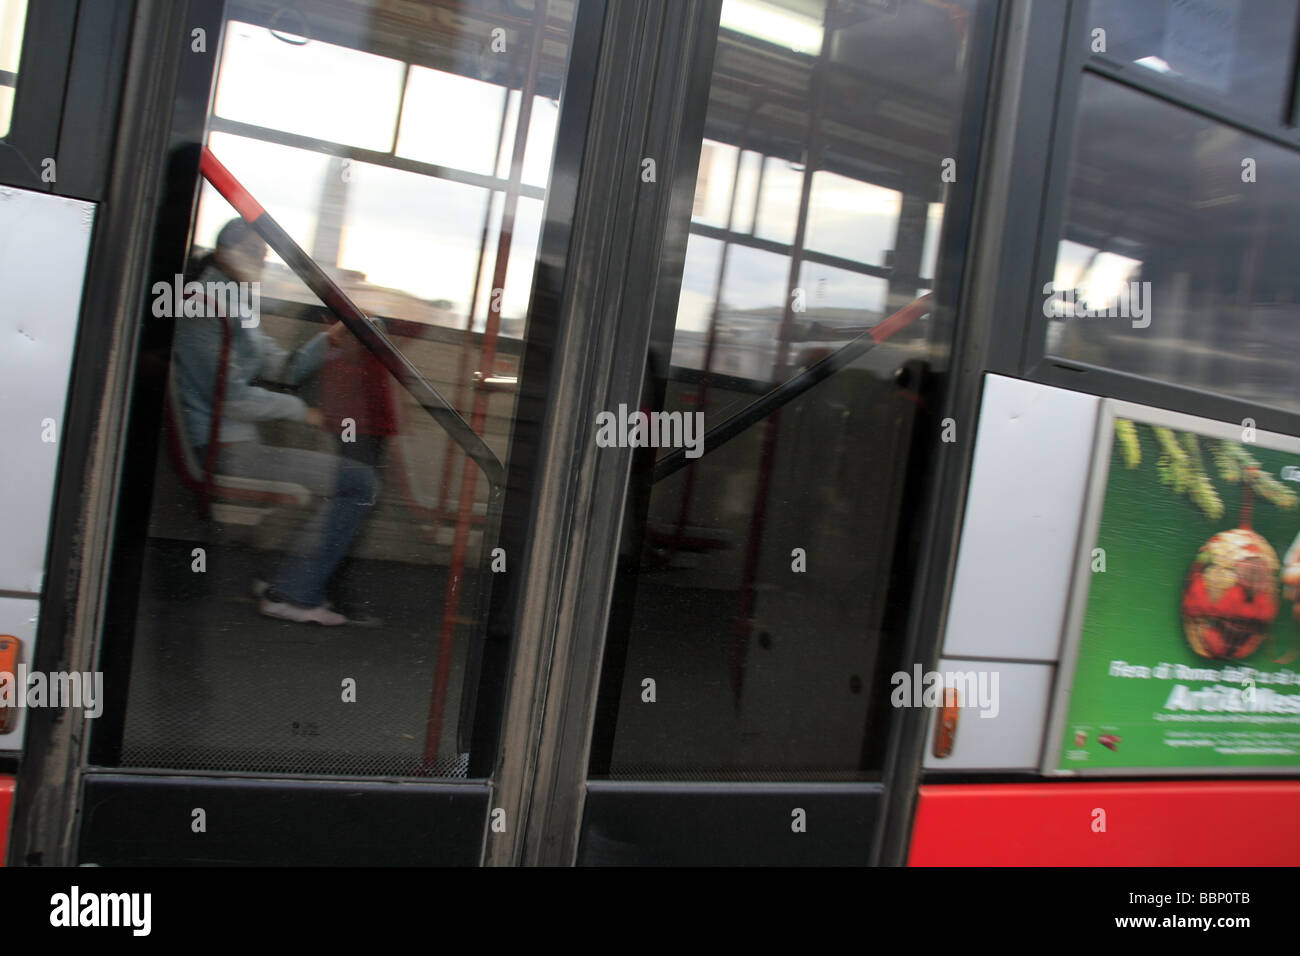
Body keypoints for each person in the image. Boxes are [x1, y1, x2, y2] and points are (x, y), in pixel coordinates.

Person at [171, 218, 376, 625]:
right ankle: (295, 593)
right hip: (219, 447)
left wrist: (330, 339)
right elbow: (228, 397)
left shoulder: (233, 300)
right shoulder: (203, 304)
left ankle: (290, 580)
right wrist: (304, 413)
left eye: (264, 254)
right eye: (254, 252)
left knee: (346, 479)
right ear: (226, 251)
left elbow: (283, 367)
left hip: (236, 441)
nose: (262, 262)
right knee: (360, 483)